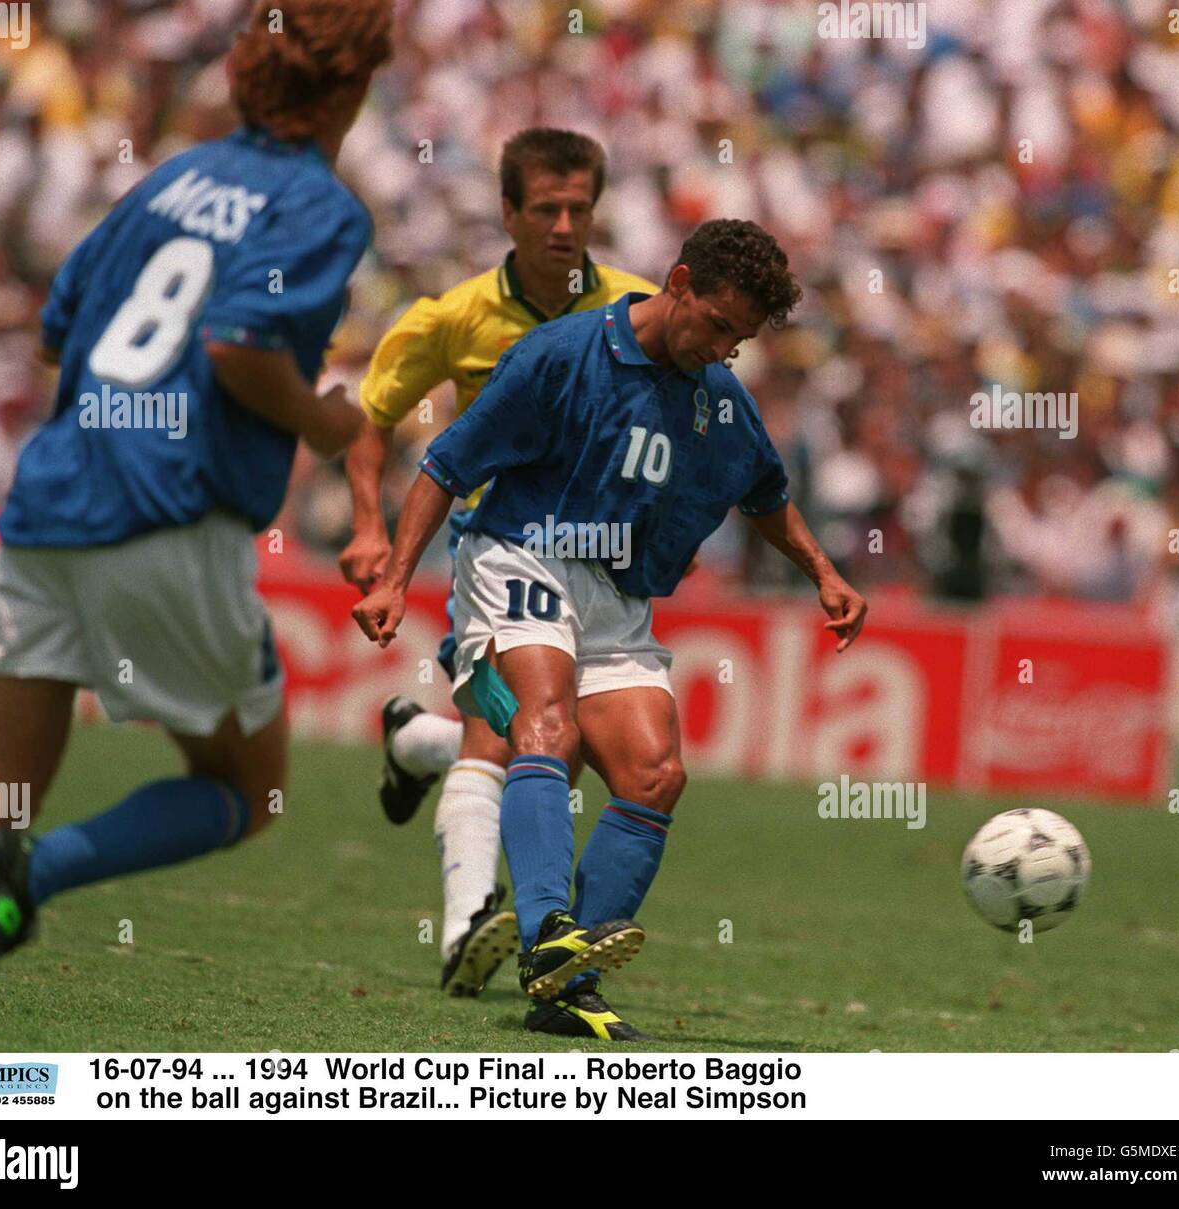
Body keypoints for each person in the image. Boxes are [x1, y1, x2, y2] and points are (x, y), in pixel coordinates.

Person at [0, 0, 396, 1010]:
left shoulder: (170, 180)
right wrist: (327, 419)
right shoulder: (319, 206)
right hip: (168, 514)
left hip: (51, 502)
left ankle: (2, 856)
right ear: (353, 87)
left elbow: (62, 324)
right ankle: (36, 874)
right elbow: (238, 344)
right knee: (248, 784)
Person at [354, 219, 867, 1040]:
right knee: (545, 728)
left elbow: (764, 495)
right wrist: (393, 578)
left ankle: (566, 983)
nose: (724, 347)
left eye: (739, 337)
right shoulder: (562, 355)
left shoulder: (719, 401)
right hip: (523, 553)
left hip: (617, 597)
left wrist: (826, 574)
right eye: (718, 324)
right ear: (679, 281)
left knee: (656, 774)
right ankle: (547, 930)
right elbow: (446, 465)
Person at [339, 128, 656, 997]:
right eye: (545, 208)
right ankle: (466, 927)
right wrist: (371, 528)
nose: (563, 225)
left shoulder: (637, 307)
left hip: (595, 567)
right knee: (517, 736)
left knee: (550, 744)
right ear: (508, 212)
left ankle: (412, 741)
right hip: (493, 549)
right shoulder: (451, 317)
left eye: (579, 209)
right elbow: (370, 418)